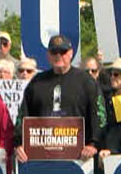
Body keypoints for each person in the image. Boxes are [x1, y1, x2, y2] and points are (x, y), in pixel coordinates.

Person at [13, 34, 105, 163]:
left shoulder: (87, 81)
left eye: (63, 51)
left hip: (80, 157)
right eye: (54, 52)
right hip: (42, 155)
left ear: (71, 53)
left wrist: (93, 144)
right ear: (48, 55)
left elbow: (99, 116)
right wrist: (19, 143)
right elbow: (23, 115)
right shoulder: (37, 82)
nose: (58, 56)